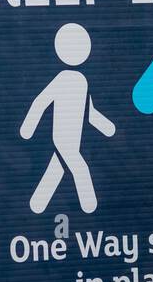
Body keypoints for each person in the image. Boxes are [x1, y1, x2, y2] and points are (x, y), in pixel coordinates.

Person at [20, 23, 115, 214]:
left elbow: (89, 112)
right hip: (62, 137)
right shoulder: (62, 78)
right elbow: (41, 101)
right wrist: (27, 128)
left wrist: (106, 127)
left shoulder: (82, 81)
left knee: (56, 168)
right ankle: (89, 205)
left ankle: (38, 203)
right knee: (80, 167)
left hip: (74, 137)